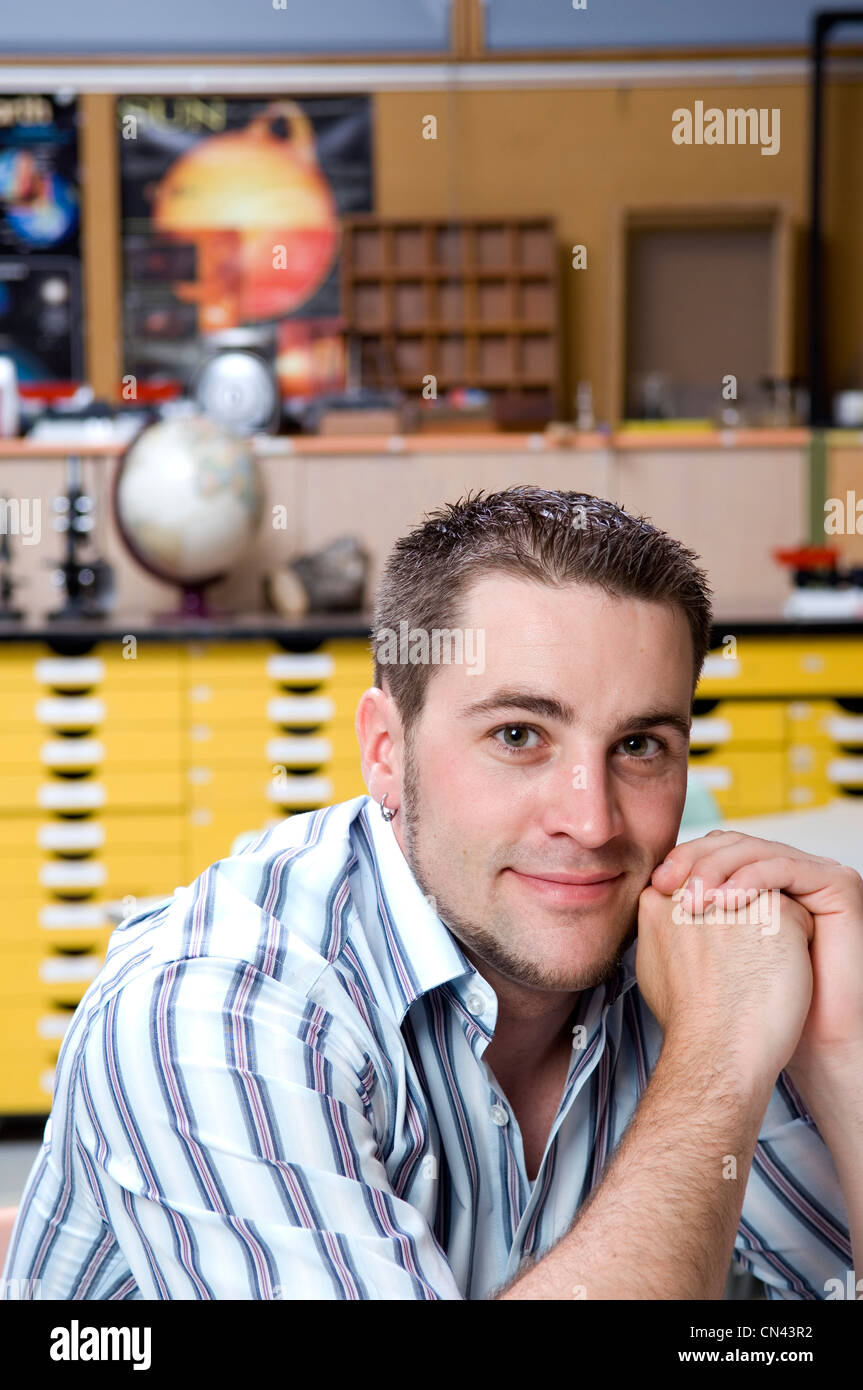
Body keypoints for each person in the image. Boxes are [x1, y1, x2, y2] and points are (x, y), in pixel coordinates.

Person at [4, 486, 862, 1300]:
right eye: (518, 734)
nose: (592, 822)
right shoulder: (209, 1005)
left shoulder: (704, 957)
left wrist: (843, 1046)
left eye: (638, 745)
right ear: (385, 750)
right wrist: (713, 1065)